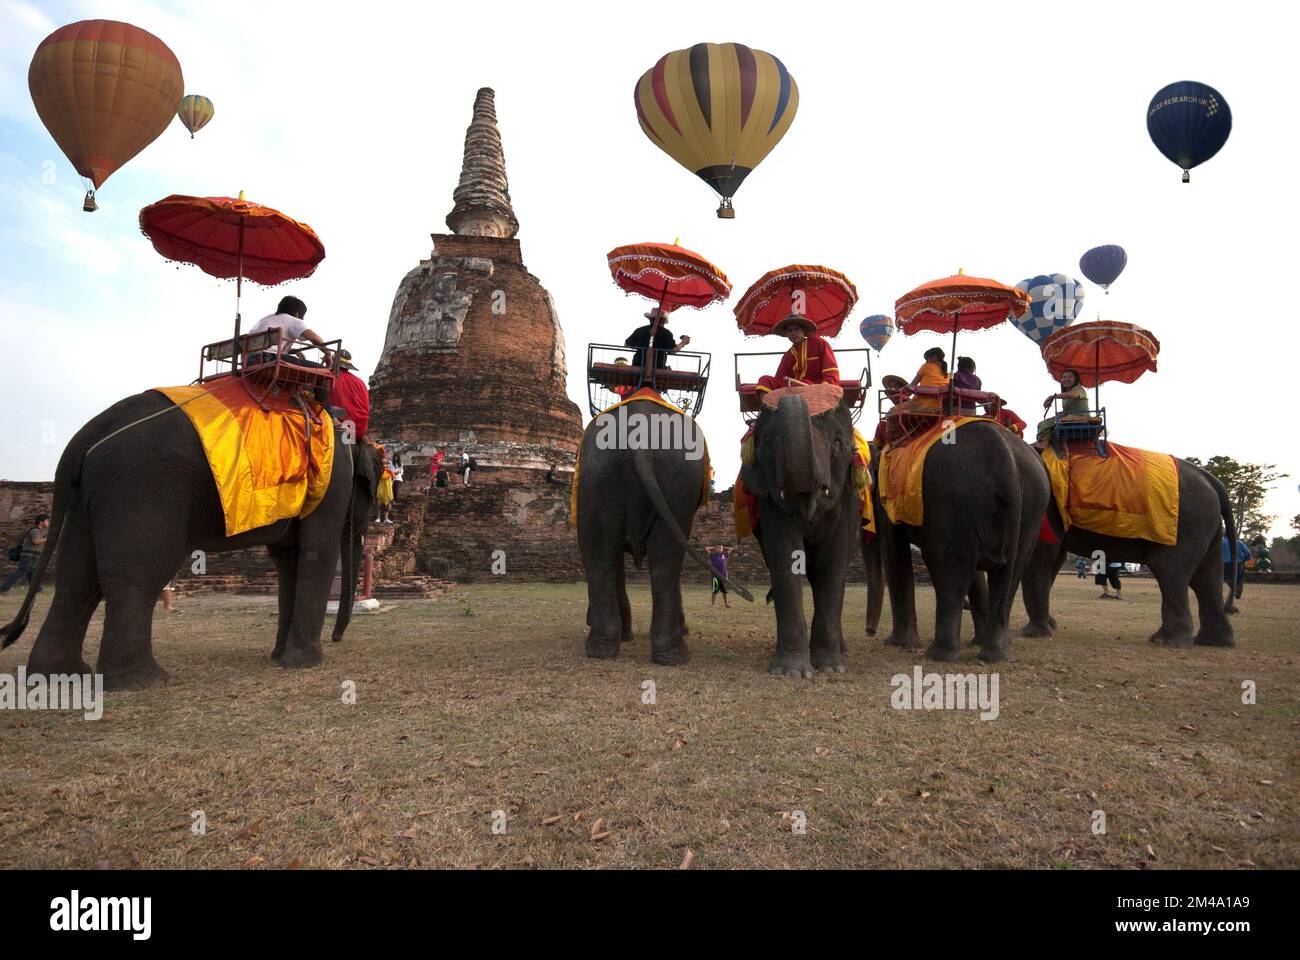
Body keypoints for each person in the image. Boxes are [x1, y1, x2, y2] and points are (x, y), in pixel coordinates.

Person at [755, 314, 839, 395]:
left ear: (803, 331)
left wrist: (826, 386)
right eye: (790, 330)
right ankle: (768, 408)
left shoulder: (818, 343)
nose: (793, 333)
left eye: (796, 329)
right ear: (786, 334)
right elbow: (780, 378)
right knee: (764, 380)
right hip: (792, 387)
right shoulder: (787, 355)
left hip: (814, 385)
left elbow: (830, 370)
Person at [247, 295, 335, 369]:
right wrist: (328, 353)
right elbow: (314, 338)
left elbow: (270, 347)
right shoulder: (292, 320)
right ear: (297, 313)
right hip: (268, 359)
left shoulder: (265, 319)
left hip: (249, 361)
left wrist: (294, 351)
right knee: (320, 369)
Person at [1035, 369, 1090, 445]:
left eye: (1070, 377)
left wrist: (1054, 397)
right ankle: (1042, 440)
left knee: (1045, 424)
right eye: (1064, 377)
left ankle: (1044, 443)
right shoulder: (1065, 395)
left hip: (1080, 417)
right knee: (1042, 424)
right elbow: (1066, 410)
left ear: (1076, 379)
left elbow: (1073, 395)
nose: (1066, 379)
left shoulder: (1079, 389)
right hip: (1068, 417)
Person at [625, 308, 691, 371]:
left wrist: (641, 347)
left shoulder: (640, 330)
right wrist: (683, 342)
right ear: (664, 321)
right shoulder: (666, 333)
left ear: (650, 319)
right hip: (658, 367)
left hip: (637, 364)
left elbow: (627, 344)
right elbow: (673, 350)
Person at [329, 349, 371, 442]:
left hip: (337, 429)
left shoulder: (328, 377)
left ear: (333, 361)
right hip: (358, 431)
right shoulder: (360, 382)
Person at [1, 514, 48, 594]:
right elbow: (36, 541)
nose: (48, 522)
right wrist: (47, 539)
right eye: (47, 520)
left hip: (33, 556)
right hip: (28, 556)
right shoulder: (35, 530)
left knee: (32, 573)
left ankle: (37, 589)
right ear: (41, 522)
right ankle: (3, 589)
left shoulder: (38, 531)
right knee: (20, 572)